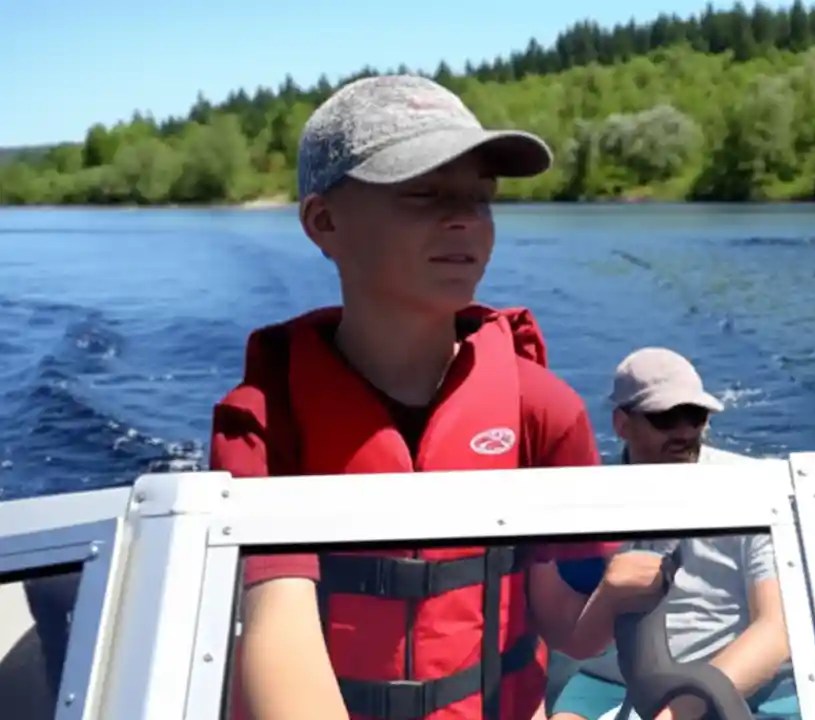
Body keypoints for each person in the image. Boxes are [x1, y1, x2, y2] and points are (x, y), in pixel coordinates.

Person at [209, 75, 666, 720]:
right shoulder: (262, 419)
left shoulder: (544, 410)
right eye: (423, 193)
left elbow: (571, 631)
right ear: (325, 221)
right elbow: (279, 627)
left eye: (480, 199)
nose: (462, 220)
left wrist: (614, 598)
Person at [549, 348, 797, 720]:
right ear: (621, 424)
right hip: (615, 676)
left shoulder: (753, 493)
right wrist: (608, 594)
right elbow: (569, 633)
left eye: (695, 416)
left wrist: (677, 712)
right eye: (666, 418)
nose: (684, 432)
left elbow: (776, 629)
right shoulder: (588, 503)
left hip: (737, 679)